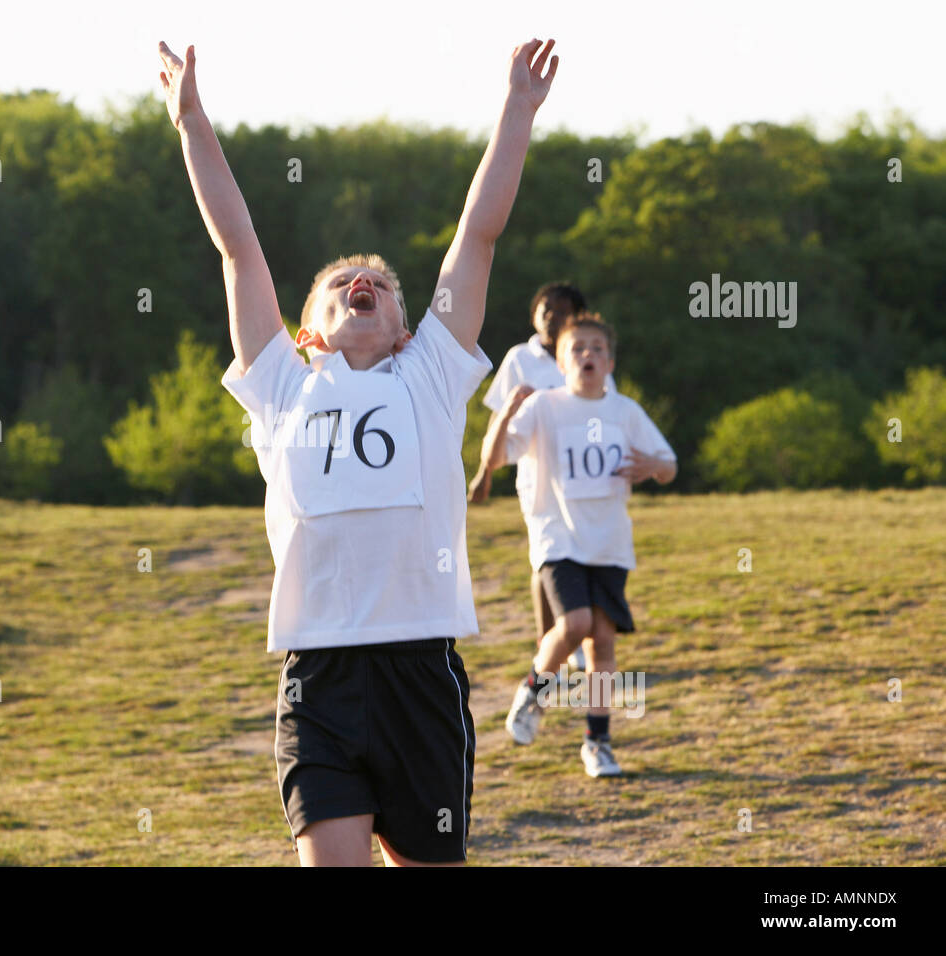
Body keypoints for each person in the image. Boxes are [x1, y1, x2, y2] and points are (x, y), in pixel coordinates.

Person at [158, 35, 557, 865]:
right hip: (321, 678)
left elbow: (478, 237)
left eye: (376, 282)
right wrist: (193, 122)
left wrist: (516, 112)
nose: (359, 283)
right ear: (307, 332)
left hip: (421, 673)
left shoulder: (432, 377)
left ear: (408, 328)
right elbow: (238, 248)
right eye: (340, 285)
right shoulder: (283, 386)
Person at [487, 315, 675, 776]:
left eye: (596, 348)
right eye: (577, 348)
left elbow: (669, 465)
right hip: (558, 538)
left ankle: (597, 743)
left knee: (603, 643)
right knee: (575, 624)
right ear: (560, 360)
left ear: (609, 361)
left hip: (609, 544)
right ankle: (533, 691)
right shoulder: (545, 407)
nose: (587, 355)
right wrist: (506, 413)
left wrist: (652, 464)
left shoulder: (626, 411)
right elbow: (493, 459)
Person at [469, 283, 613, 678]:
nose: (550, 316)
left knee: (580, 554)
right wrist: (485, 473)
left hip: (583, 476)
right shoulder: (520, 358)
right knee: (546, 556)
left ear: (577, 317)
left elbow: (607, 411)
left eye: (560, 310)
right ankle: (549, 641)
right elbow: (500, 415)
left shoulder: (587, 356)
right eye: (543, 309)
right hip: (536, 474)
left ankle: (574, 639)